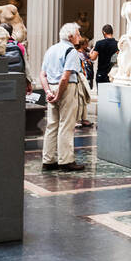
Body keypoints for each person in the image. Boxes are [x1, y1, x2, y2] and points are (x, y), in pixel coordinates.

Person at [40, 23, 87, 172]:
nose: (79, 37)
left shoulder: (51, 49)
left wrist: (48, 92)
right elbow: (65, 77)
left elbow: (42, 74)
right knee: (66, 124)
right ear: (70, 36)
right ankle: (66, 161)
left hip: (52, 87)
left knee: (52, 124)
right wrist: (59, 95)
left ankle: (48, 160)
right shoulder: (71, 51)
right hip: (65, 89)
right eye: (78, 34)